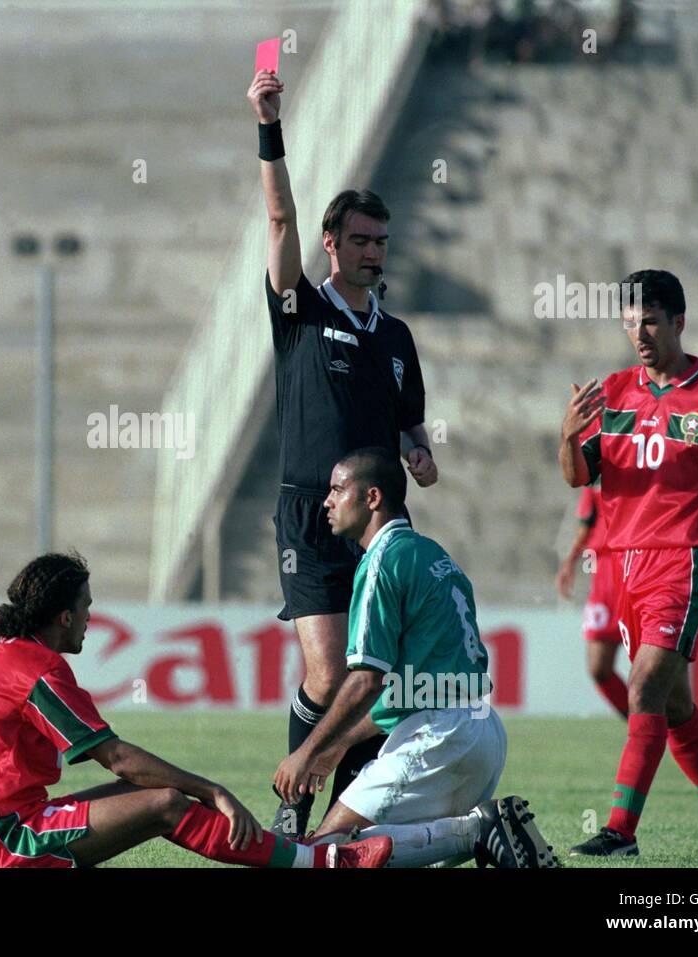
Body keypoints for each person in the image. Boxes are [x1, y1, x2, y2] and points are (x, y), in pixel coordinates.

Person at [248, 67, 439, 837]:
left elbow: (411, 424)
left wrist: (419, 452)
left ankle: (337, 820)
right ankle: (294, 797)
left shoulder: (395, 337)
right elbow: (277, 215)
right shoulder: (300, 311)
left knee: (375, 683)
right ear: (331, 243)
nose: (371, 252)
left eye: (380, 242)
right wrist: (269, 126)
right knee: (328, 673)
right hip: (309, 512)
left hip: (379, 523)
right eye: (359, 240)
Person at [0, 551, 392, 869]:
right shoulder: (37, 671)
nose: (91, 618)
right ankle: (320, 861)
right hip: (10, 840)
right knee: (167, 802)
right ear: (64, 617)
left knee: (139, 791)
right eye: (86, 606)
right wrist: (213, 790)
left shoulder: (1, 656)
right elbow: (115, 756)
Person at [559, 269, 698, 857]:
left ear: (679, 322)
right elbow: (577, 477)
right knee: (674, 702)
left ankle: (620, 832)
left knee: (643, 689)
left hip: (685, 563)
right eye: (630, 321)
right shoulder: (611, 393)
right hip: (626, 566)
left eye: (650, 321)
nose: (639, 333)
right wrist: (567, 438)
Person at [273, 448, 558, 868]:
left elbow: (366, 680)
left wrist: (308, 751)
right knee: (371, 850)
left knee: (324, 855)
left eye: (337, 490)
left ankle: (478, 831)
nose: (327, 502)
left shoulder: (381, 563)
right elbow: (411, 690)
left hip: (438, 736)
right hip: (482, 733)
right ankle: (481, 831)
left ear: (372, 497)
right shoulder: (434, 555)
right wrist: (341, 746)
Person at [555, 481, 629, 717]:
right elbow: (585, 526)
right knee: (599, 668)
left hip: (638, 564)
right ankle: (641, 727)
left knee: (649, 667)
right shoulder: (597, 468)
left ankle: (657, 731)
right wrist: (570, 563)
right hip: (605, 573)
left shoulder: (647, 458)